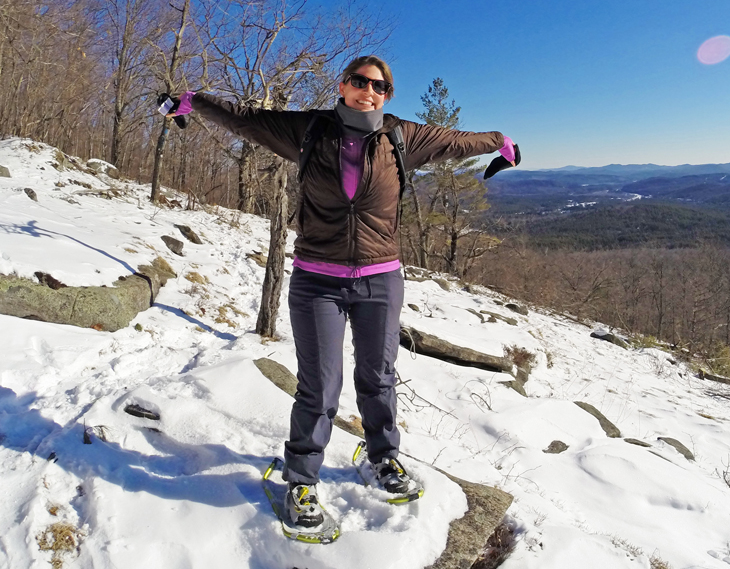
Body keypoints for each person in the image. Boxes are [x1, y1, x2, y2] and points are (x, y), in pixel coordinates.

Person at [167, 55, 519, 528]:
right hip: (317, 279)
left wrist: (502, 142)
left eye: (379, 86)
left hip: (380, 279)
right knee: (320, 384)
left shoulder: (402, 136)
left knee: (379, 375)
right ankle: (302, 478)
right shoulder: (309, 130)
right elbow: (247, 120)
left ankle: (383, 458)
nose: (368, 91)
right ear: (343, 84)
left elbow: (459, 141)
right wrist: (193, 101)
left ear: (388, 94)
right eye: (359, 81)